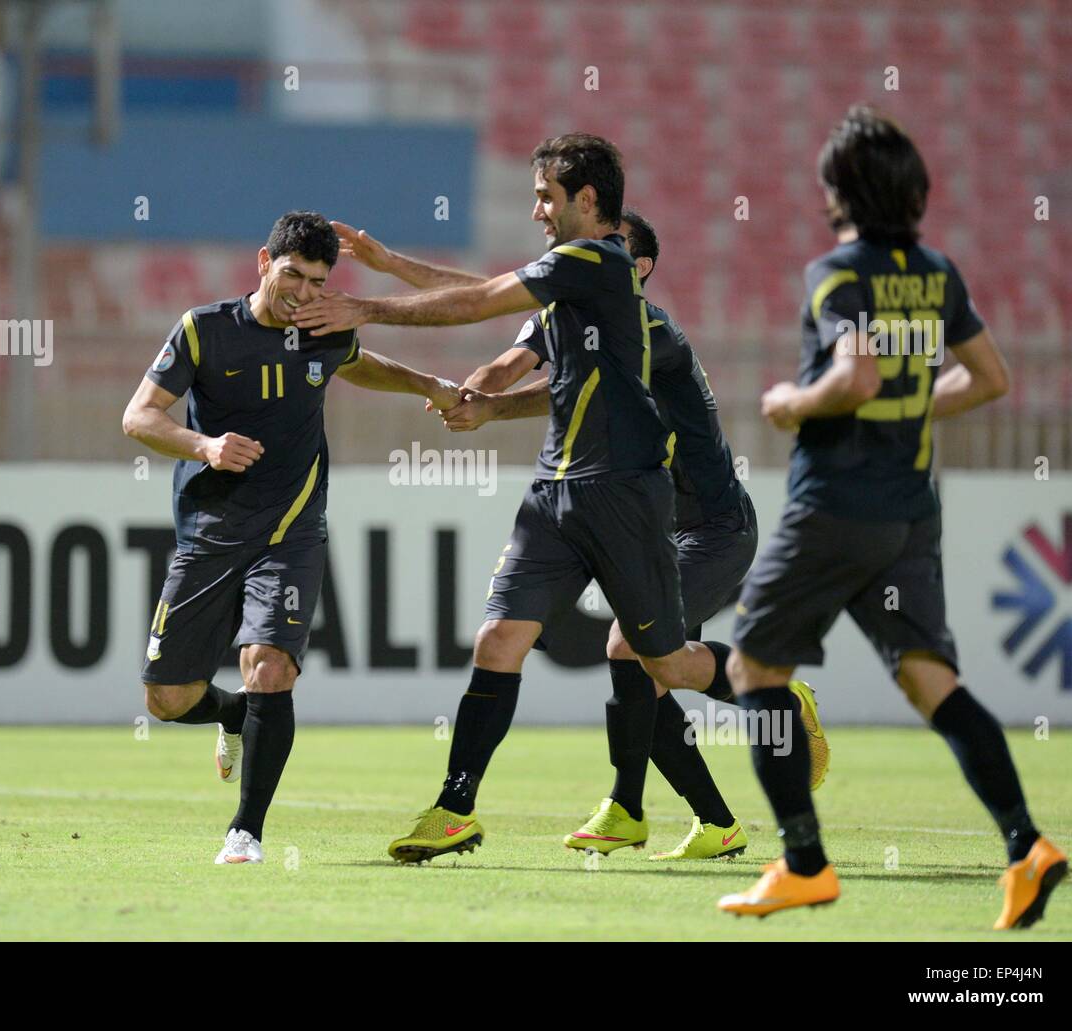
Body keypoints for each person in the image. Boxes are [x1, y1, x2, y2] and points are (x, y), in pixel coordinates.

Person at [339, 207, 831, 861]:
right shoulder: (567, 318)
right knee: (613, 658)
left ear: (640, 267)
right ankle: (706, 820)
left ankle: (752, 715)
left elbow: (516, 328)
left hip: (710, 526)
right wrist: (473, 397)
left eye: (610, 248)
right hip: (621, 518)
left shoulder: (651, 332)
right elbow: (510, 355)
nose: (582, 260)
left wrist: (389, 296)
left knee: (636, 650)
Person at [294, 133, 689, 861]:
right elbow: (483, 293)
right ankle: (456, 807)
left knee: (665, 663)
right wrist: (390, 267)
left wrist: (366, 308)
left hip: (624, 491)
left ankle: (771, 688)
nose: (537, 209)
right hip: (556, 492)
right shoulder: (570, 277)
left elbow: (477, 300)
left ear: (588, 200)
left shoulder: (596, 261)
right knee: (500, 637)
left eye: (547, 196)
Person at [718, 106, 1066, 928]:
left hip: (835, 508)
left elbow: (857, 376)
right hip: (911, 517)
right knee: (931, 680)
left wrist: (791, 402)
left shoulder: (838, 271)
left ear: (840, 189)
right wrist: (909, 410)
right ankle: (1026, 845)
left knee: (753, 671)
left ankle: (803, 861)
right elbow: (990, 378)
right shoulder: (939, 273)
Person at [121, 210, 461, 864]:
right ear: (262, 263)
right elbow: (139, 416)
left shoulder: (323, 328)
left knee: (270, 667)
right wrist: (205, 445)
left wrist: (428, 385)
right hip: (212, 534)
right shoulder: (204, 330)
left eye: (317, 279)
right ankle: (230, 717)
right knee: (166, 697)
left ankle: (245, 831)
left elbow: (361, 363)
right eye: (293, 275)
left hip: (290, 531)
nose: (305, 292)